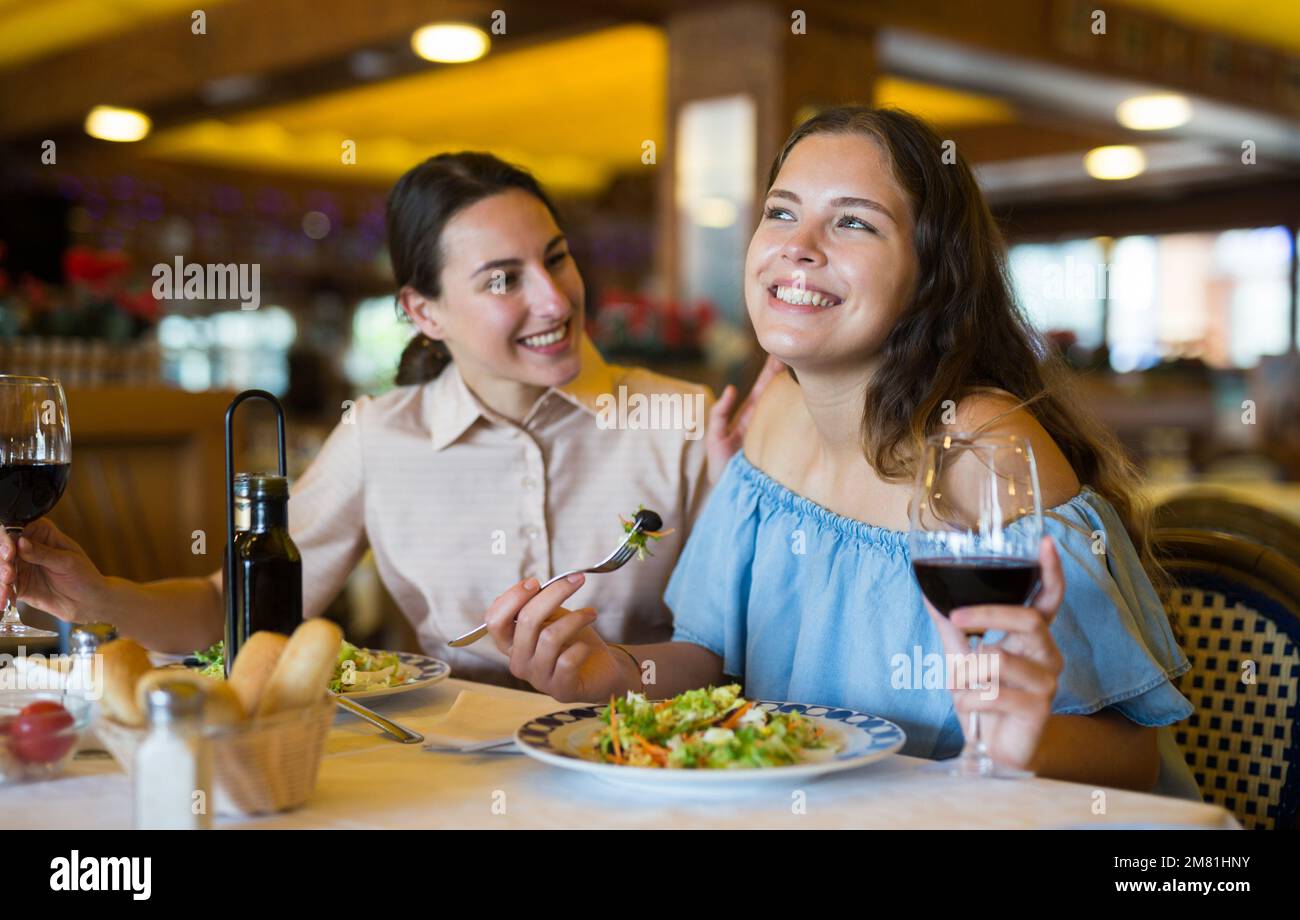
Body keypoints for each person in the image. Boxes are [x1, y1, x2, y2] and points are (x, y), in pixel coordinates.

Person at [477, 107, 1200, 797]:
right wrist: (608, 671)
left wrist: (1021, 744)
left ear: (934, 274)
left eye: (853, 222)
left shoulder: (980, 448)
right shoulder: (774, 419)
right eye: (782, 211)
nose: (798, 245)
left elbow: (1130, 758)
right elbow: (710, 662)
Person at [0, 152, 780, 686]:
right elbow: (228, 610)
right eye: (504, 278)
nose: (554, 298)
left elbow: (739, 649)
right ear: (422, 311)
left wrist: (617, 673)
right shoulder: (380, 437)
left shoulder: (684, 422)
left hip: (651, 773)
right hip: (454, 780)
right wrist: (97, 597)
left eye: (557, 257)